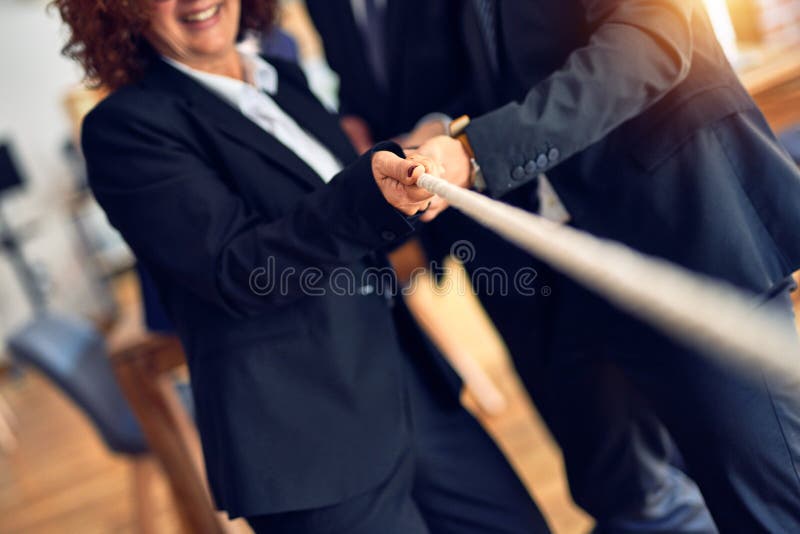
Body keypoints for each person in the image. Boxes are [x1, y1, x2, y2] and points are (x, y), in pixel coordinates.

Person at [52, 0, 551, 532]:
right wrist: (374, 196)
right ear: (119, 10)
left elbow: (334, 198)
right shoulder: (125, 128)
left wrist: (416, 160)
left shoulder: (284, 81)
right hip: (310, 443)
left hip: (409, 388)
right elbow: (238, 268)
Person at [306, 1, 717, 531]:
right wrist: (355, 129)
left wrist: (438, 135)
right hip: (479, 238)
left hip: (545, 197)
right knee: (591, 446)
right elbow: (360, 85)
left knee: (641, 452)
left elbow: (507, 63)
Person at [417, 0, 800, 531]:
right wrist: (438, 138)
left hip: (691, 239)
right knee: (652, 495)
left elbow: (650, 41)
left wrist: (478, 151)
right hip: (592, 260)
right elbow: (513, 78)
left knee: (769, 504)